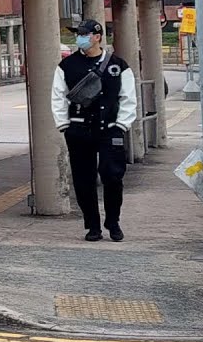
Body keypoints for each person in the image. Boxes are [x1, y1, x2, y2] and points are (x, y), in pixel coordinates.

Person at [50, 19, 138, 243]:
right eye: (78, 34)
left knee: (112, 176)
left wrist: (121, 125)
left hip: (110, 130)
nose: (79, 38)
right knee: (83, 179)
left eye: (84, 34)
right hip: (79, 130)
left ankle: (113, 221)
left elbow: (128, 98)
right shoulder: (67, 66)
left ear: (97, 36)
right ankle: (92, 225)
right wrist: (64, 125)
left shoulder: (118, 65)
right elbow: (58, 97)